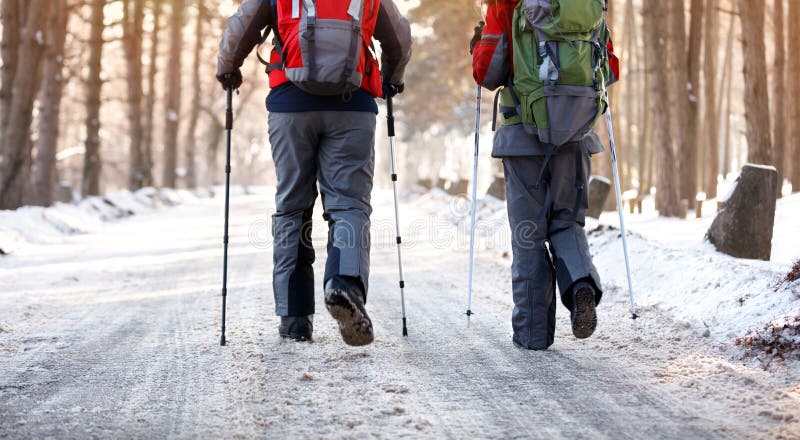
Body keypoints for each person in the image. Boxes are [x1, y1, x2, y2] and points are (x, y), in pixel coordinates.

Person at [216, 0, 412, 346]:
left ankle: (294, 319)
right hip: (354, 106)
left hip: (291, 106)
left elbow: (239, 27)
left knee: (292, 207)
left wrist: (228, 68)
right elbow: (399, 38)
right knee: (349, 205)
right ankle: (344, 284)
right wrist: (392, 78)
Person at [470, 0, 608, 350]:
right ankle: (580, 286)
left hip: (522, 136)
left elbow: (488, 72)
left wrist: (478, 46)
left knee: (529, 236)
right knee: (567, 222)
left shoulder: (505, 3)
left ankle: (532, 336)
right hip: (576, 133)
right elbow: (609, 67)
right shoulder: (588, 4)